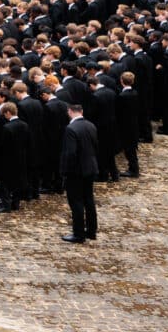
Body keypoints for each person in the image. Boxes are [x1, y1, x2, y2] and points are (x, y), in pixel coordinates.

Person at [60, 101, 100, 243]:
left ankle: (78, 233)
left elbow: (70, 153)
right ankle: (91, 230)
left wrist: (65, 171)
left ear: (70, 112)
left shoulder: (71, 129)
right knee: (88, 200)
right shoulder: (91, 125)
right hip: (90, 167)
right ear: (81, 112)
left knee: (76, 202)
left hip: (76, 171)